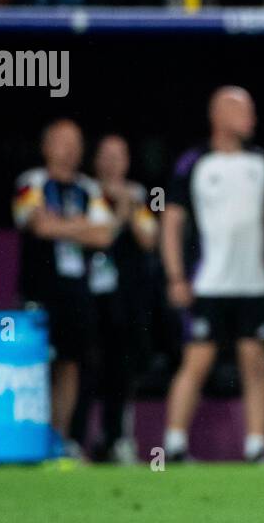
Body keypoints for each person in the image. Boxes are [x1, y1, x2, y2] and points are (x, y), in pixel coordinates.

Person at [161, 88, 264, 464]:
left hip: (253, 283)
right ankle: (173, 445)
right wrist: (175, 276)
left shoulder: (261, 163)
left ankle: (257, 447)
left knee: (255, 362)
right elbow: (171, 223)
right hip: (208, 283)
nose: (252, 119)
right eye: (244, 111)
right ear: (219, 115)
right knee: (197, 361)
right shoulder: (194, 163)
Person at [13, 119, 116, 452]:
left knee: (71, 362)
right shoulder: (32, 183)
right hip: (39, 287)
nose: (70, 149)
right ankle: (33, 438)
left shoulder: (90, 189)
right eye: (61, 141)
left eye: (75, 142)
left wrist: (61, 225)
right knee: (37, 362)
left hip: (77, 290)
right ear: (46, 147)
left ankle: (61, 439)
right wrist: (80, 226)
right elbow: (36, 225)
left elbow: (104, 234)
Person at [80, 135, 158, 463]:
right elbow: (97, 237)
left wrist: (127, 207)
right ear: (97, 160)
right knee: (86, 368)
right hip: (90, 296)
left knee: (123, 370)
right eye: (107, 155)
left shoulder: (140, 195)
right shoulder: (86, 192)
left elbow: (149, 238)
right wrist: (118, 215)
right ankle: (75, 440)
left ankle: (117, 438)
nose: (113, 163)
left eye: (119, 156)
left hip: (126, 299)